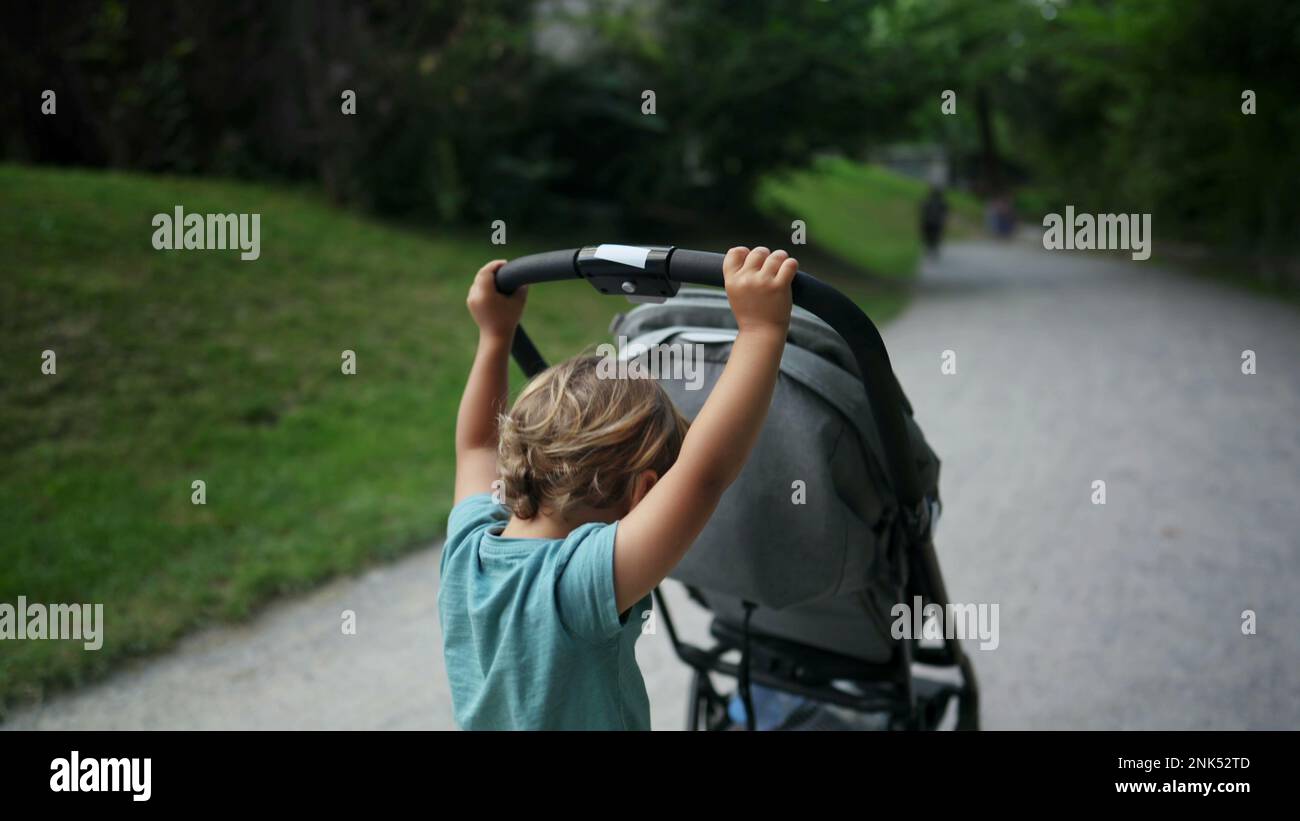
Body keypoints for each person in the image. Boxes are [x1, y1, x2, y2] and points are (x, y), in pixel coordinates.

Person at [439, 246, 797, 729]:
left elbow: (476, 447)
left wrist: (495, 333)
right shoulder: (577, 583)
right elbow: (704, 475)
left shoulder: (468, 550)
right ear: (643, 490)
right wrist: (762, 330)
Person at [920, 185, 949, 256]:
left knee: (929, 236)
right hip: (937, 223)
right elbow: (945, 213)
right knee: (935, 237)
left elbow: (923, 210)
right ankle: (933, 249)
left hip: (928, 222)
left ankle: (930, 249)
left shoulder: (927, 201)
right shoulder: (942, 202)